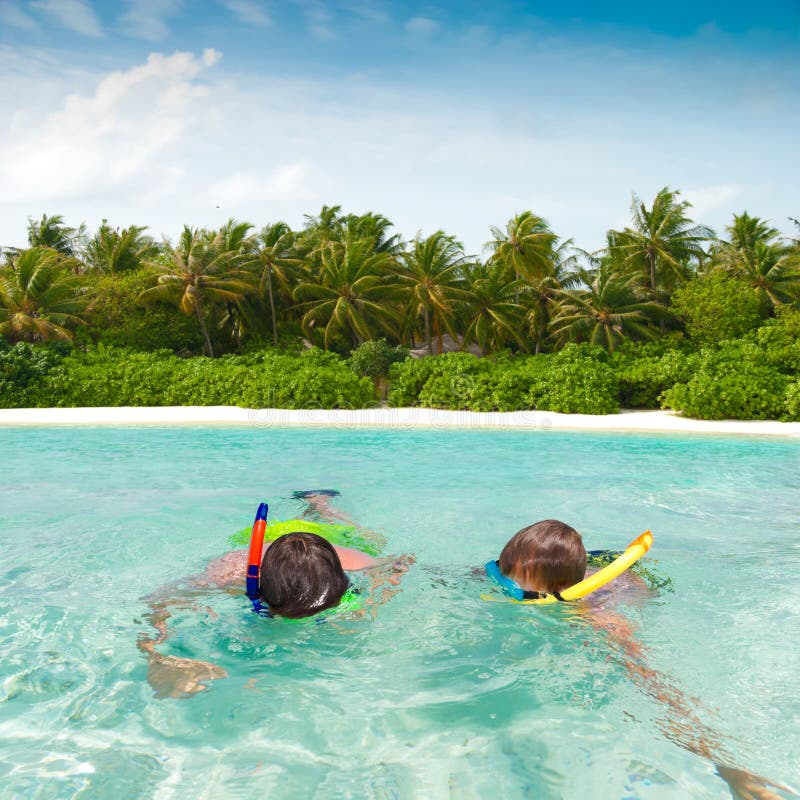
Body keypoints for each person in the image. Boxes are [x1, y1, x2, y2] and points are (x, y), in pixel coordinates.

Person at [491, 519, 794, 800]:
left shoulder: (602, 623)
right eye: (503, 577)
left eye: (516, 587)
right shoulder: (510, 579)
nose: (505, 589)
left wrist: (729, 767)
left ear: (558, 592)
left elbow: (661, 693)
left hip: (622, 591)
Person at [138, 492, 412, 698]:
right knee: (302, 533)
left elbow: (401, 563)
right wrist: (156, 647)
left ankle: (320, 503)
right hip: (269, 542)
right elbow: (160, 598)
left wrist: (377, 598)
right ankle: (315, 507)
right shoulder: (232, 571)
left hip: (332, 544)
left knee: (361, 534)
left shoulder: (359, 565)